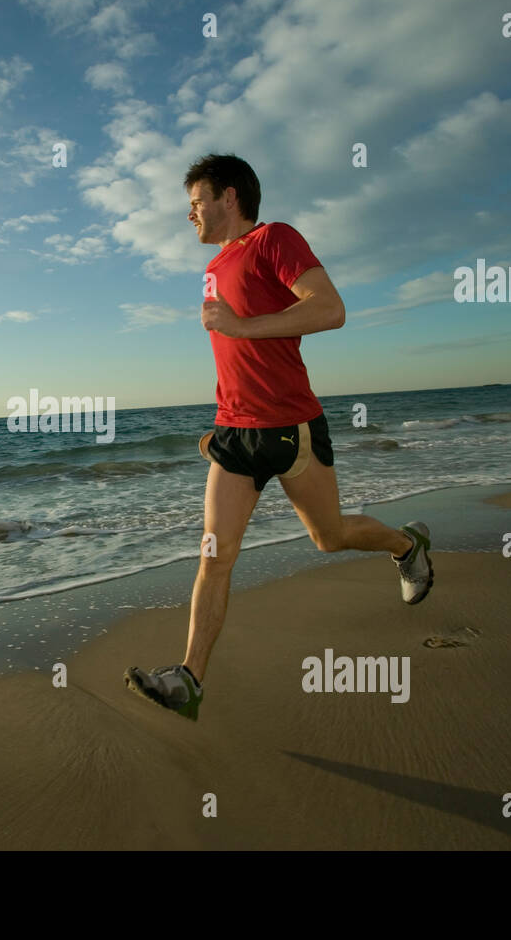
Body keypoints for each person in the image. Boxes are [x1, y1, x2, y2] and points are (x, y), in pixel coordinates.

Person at [124, 154, 434, 721]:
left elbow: (331, 309)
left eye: (197, 202)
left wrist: (241, 327)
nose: (189, 215)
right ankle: (190, 679)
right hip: (235, 436)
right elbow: (238, 356)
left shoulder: (274, 239)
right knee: (214, 556)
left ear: (230, 197)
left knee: (330, 537)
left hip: (291, 430)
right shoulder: (215, 265)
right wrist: (223, 418)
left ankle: (407, 546)